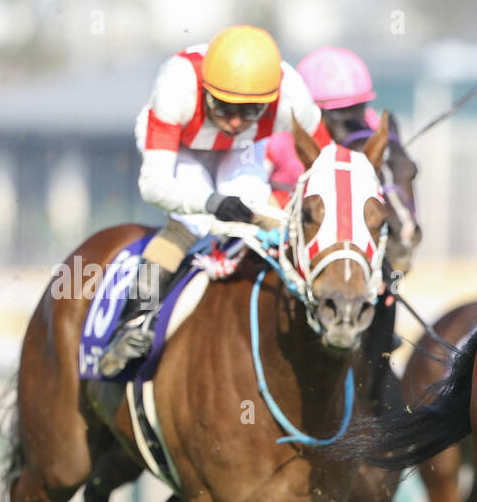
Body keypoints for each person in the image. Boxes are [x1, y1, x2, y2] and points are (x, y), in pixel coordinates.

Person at [98, 24, 332, 378]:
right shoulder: (176, 86)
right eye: (223, 107)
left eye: (250, 111)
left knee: (266, 214)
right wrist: (210, 202)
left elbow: (329, 166)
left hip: (238, 153)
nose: (236, 121)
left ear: (270, 101)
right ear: (205, 91)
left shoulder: (293, 98)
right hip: (181, 146)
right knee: (190, 224)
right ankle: (134, 322)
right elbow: (153, 186)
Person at [266, 46, 382, 203]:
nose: (355, 127)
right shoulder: (279, 141)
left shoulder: (372, 126)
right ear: (311, 110)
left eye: (359, 110)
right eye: (342, 113)